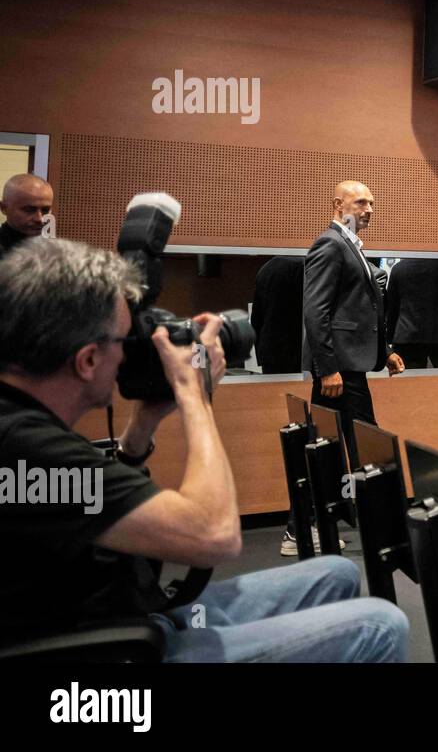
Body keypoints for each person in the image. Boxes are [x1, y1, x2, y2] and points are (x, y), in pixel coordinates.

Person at [0, 237, 408, 661]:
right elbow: (213, 534)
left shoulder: (23, 427)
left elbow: (84, 502)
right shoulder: (24, 448)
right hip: (120, 647)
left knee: (336, 573)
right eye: (123, 342)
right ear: (86, 361)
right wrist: (195, 396)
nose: (129, 357)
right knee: (380, 624)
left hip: (132, 612)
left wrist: (142, 426)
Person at [294, 181, 404, 556]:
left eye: (372, 203)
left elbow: (359, 310)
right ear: (338, 204)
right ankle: (380, 524)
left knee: (330, 446)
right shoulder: (330, 244)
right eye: (360, 203)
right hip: (338, 370)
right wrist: (327, 369)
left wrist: (384, 351)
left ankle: (304, 528)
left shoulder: (350, 246)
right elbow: (316, 311)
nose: (369, 209)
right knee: (365, 444)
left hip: (349, 366)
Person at [386, 258, 438, 368]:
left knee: (409, 383)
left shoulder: (398, 268)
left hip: (407, 336)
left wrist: (388, 341)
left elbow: (392, 307)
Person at [0, 173, 53, 257]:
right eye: (29, 210)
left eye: (45, 210)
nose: (40, 219)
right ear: (3, 208)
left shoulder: (54, 252)